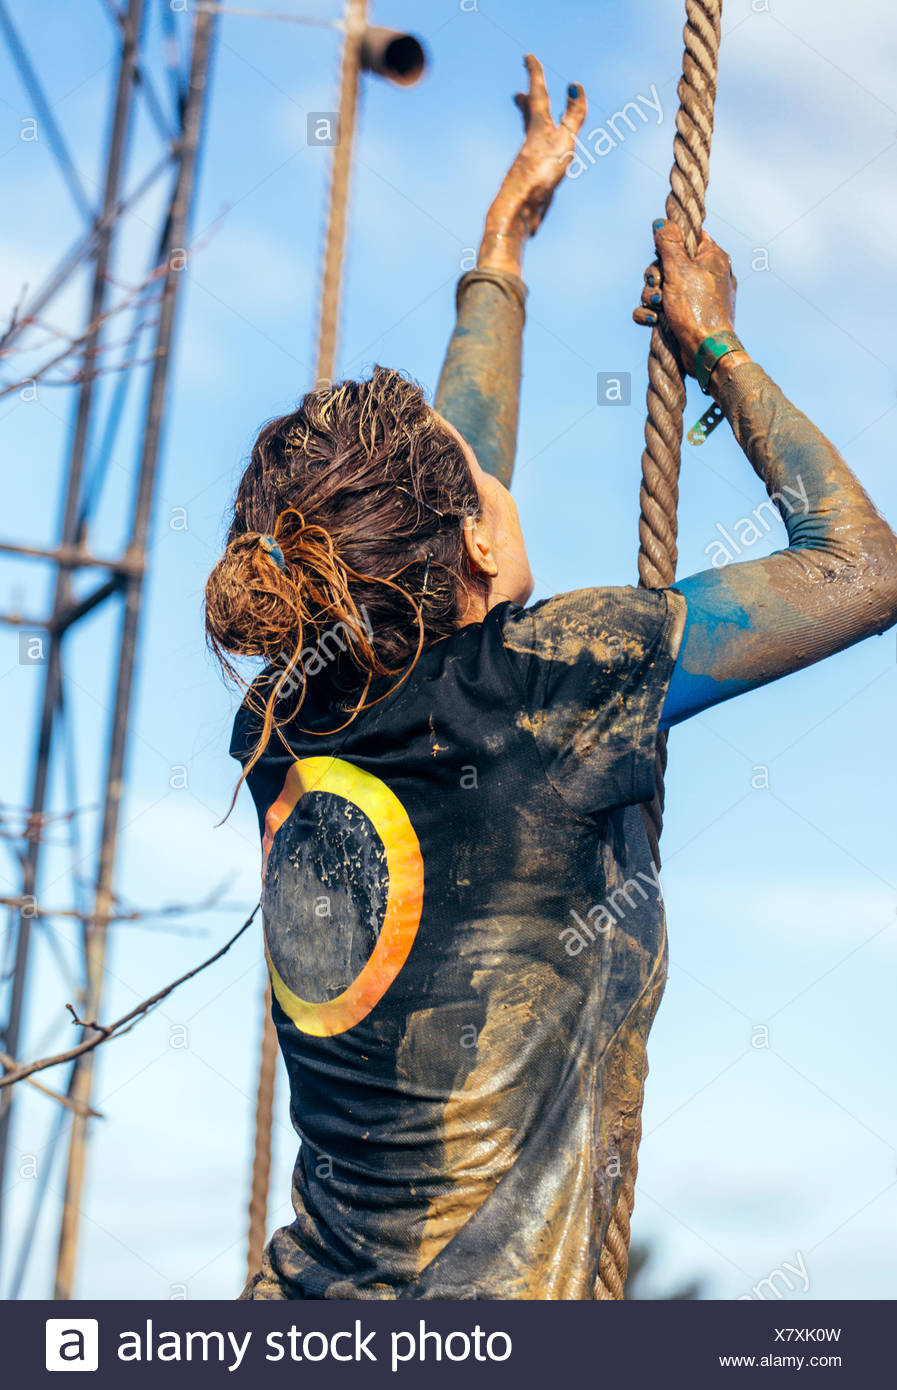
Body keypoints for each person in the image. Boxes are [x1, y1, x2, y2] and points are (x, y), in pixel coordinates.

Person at [205, 57, 897, 1300]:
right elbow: (861, 566)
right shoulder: (558, 688)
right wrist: (718, 342)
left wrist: (503, 247)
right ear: (472, 543)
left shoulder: (283, 718)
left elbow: (441, 494)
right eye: (478, 492)